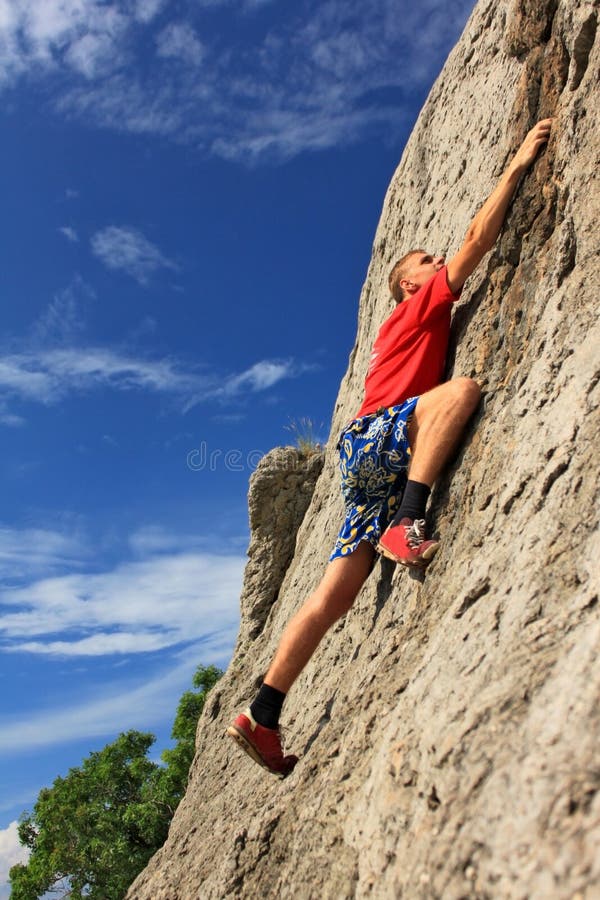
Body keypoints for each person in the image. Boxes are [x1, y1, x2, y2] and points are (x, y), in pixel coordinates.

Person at [227, 119, 553, 777]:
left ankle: (261, 710)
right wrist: (517, 164)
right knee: (459, 393)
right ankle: (408, 520)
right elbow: (476, 240)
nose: (438, 264)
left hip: (365, 456)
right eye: (423, 265)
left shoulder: (400, 327)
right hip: (380, 440)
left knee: (332, 594)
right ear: (408, 287)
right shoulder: (418, 304)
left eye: (432, 262)